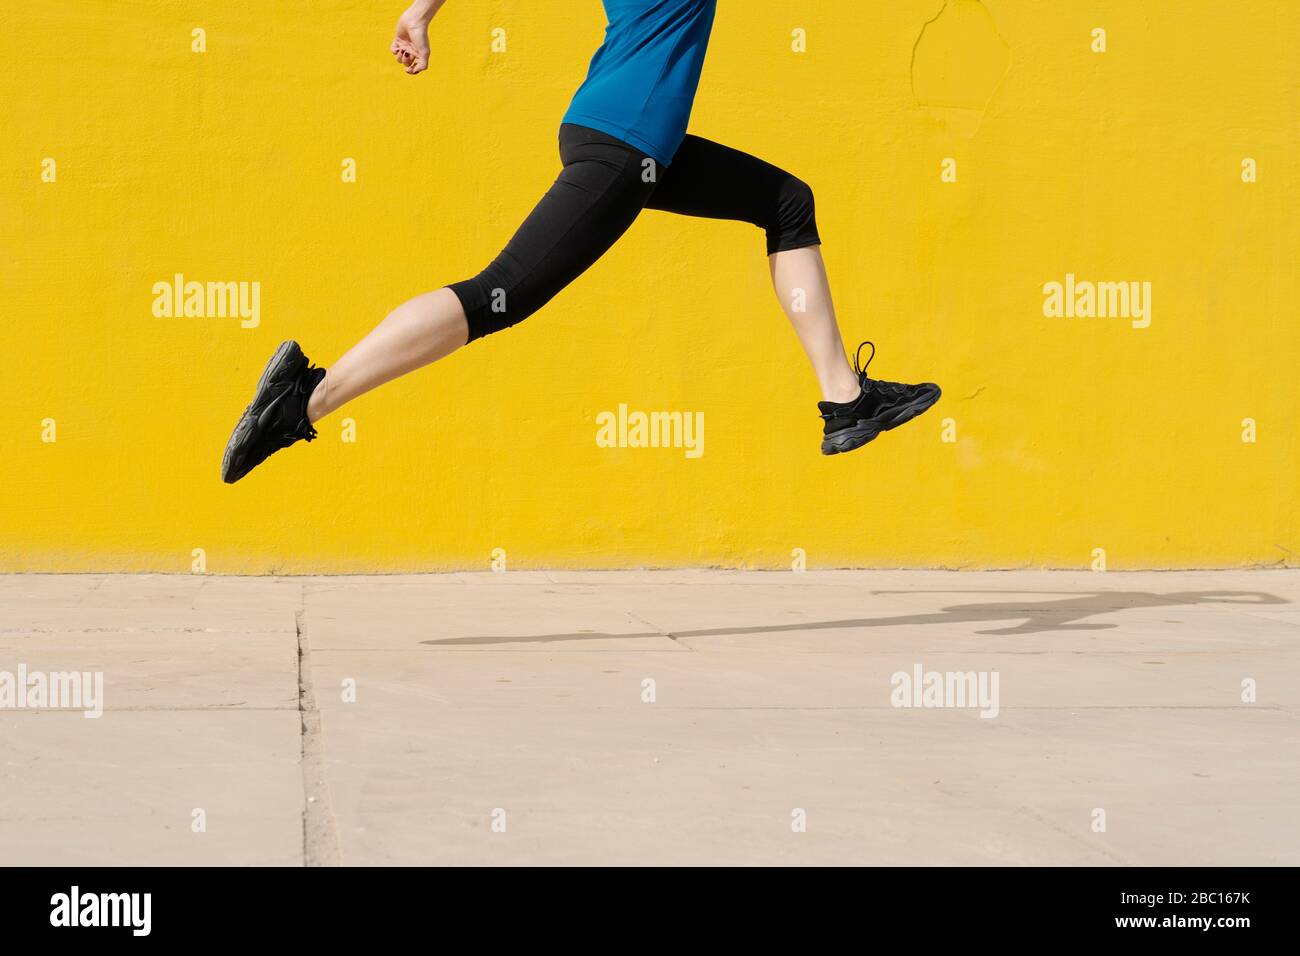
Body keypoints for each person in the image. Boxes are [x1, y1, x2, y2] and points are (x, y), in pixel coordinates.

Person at [221, 0, 940, 483]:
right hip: (626, 143)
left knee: (786, 201)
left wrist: (420, 10)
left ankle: (844, 399)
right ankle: (303, 401)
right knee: (499, 295)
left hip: (620, 132)